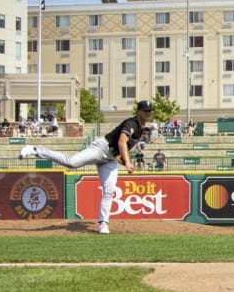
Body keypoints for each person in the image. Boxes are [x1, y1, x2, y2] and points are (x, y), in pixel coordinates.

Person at [19, 99, 154, 235]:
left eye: (149, 111)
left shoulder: (141, 129)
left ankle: (103, 224)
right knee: (71, 163)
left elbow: (122, 150)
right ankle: (36, 150)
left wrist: (124, 160)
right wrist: (128, 162)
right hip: (102, 148)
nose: (148, 113)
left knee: (109, 190)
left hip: (110, 158)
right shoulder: (131, 123)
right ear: (139, 111)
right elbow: (121, 142)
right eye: (145, 111)